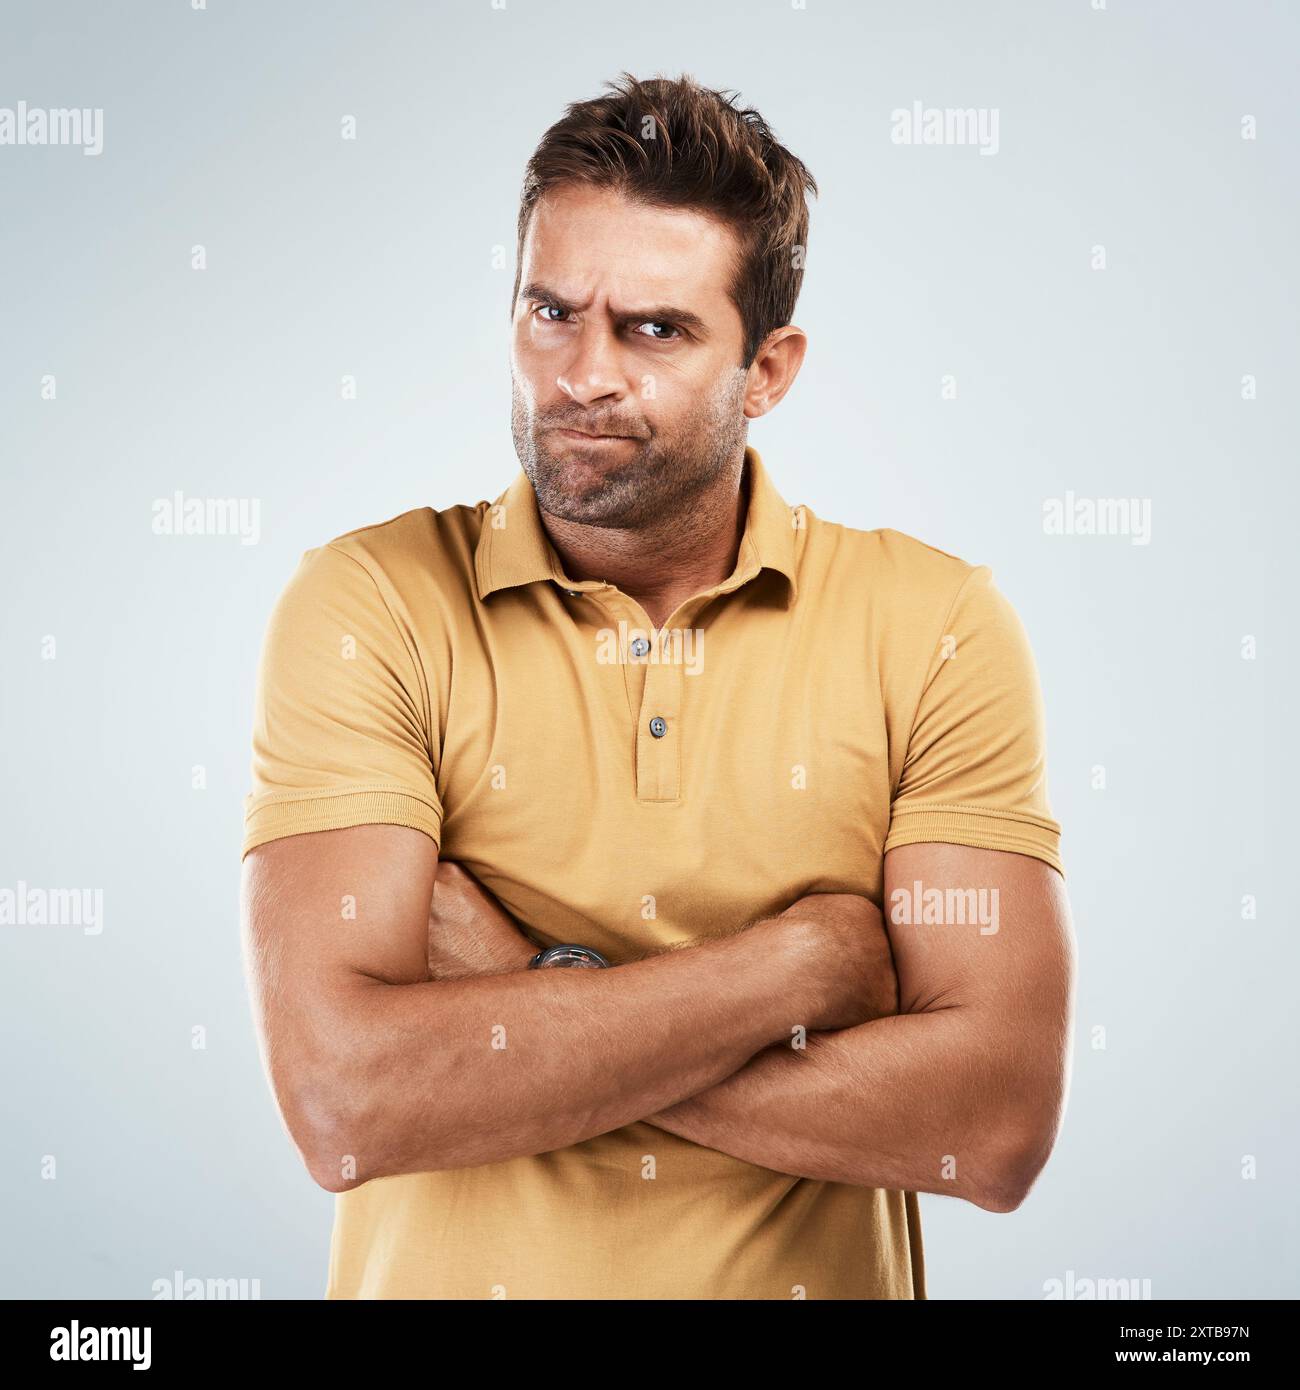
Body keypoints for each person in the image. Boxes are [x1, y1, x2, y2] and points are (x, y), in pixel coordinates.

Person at [240, 72, 1074, 1300]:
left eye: (653, 330)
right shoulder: (372, 604)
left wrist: (529, 993)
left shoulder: (936, 625)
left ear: (768, 369)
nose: (583, 376)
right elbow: (345, 1103)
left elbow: (992, 1127)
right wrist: (794, 969)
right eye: (550, 312)